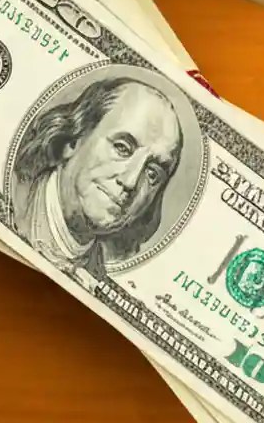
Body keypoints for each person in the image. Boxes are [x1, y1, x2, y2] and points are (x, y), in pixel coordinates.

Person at [13, 77, 184, 281]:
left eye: (152, 173)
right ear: (74, 140)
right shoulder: (12, 205)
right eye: (122, 148)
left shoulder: (99, 279)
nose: (130, 182)